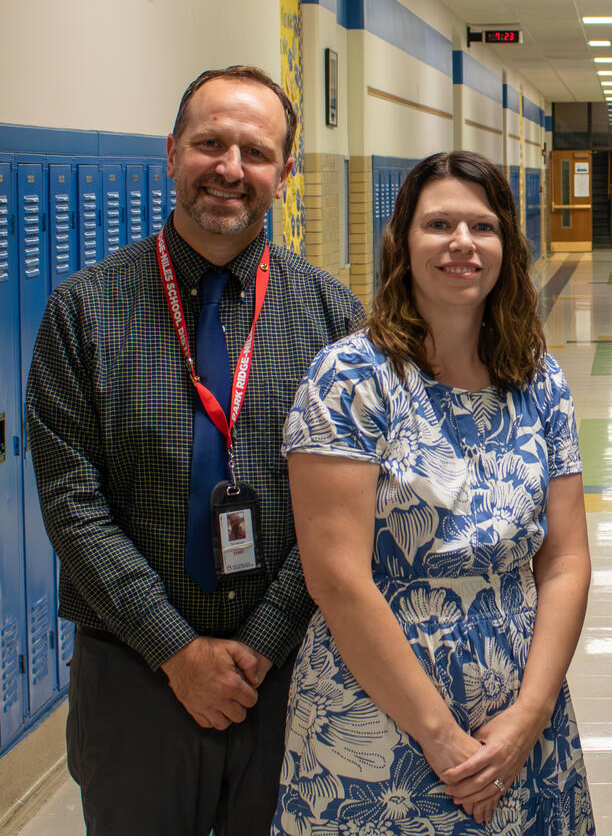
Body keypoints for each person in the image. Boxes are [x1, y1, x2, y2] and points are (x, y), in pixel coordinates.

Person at [25, 65, 363, 834]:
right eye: (210, 143)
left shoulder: (332, 319)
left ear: (285, 173)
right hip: (133, 676)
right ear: (171, 151)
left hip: (289, 676)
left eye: (255, 151)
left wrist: (262, 643)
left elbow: (349, 507)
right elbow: (73, 504)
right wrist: (177, 651)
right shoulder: (86, 311)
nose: (230, 169)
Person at [273, 151, 595, 835]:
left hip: (518, 725)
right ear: (402, 242)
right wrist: (443, 738)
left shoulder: (538, 381)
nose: (462, 243)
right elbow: (337, 580)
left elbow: (565, 561)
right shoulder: (350, 379)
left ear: (506, 243)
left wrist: (529, 715)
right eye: (438, 223)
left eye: (482, 226)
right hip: (378, 723)